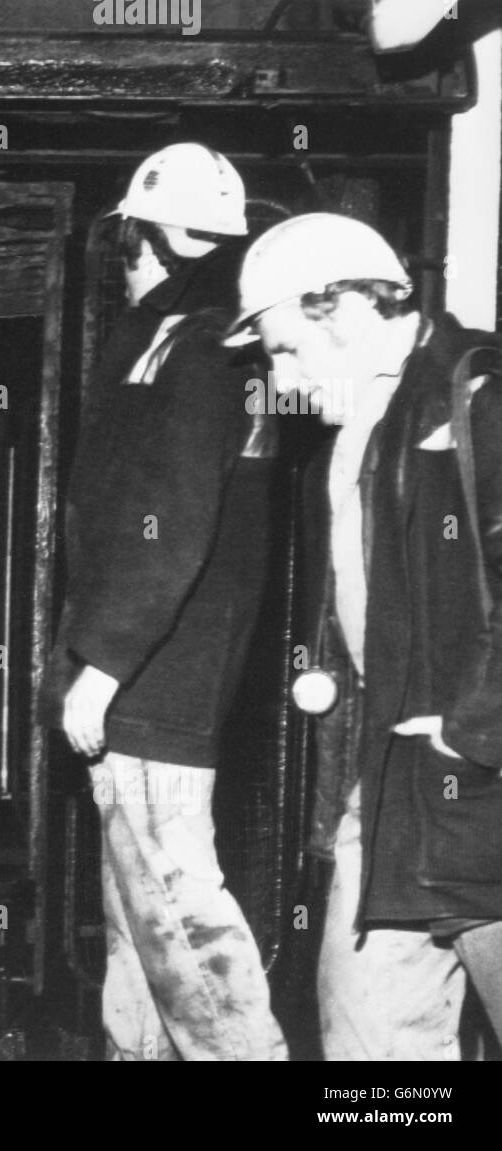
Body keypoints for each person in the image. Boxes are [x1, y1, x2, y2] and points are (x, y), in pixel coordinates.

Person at [227, 211, 502, 1060]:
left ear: (339, 308)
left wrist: (475, 728)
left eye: (284, 348)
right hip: (392, 790)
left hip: (478, 787)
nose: (280, 375)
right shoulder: (350, 440)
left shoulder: (477, 390)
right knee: (371, 1043)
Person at [47, 143, 286, 1060]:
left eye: (130, 242)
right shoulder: (178, 337)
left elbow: (170, 519)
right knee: (139, 924)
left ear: (154, 237)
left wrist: (104, 664)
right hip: (154, 670)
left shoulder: (203, 347)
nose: (124, 261)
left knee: (181, 917)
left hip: (159, 676)